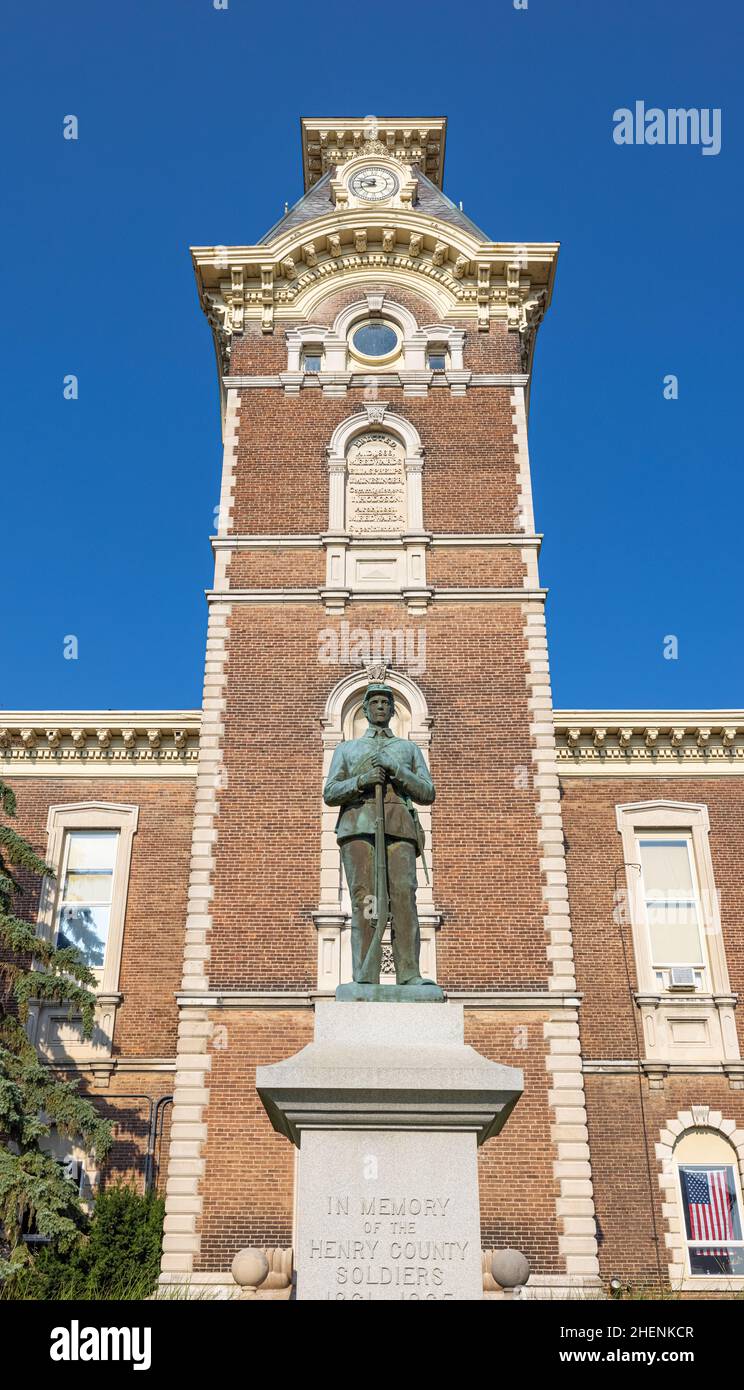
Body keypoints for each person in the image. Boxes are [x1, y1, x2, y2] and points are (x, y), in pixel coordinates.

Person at [323, 681, 435, 985]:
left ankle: (410, 974)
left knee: (403, 898)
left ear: (392, 709)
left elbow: (427, 792)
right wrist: (362, 780)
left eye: (386, 702)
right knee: (366, 901)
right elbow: (330, 792)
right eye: (375, 703)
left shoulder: (408, 749)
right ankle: (365, 975)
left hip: (399, 827)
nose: (381, 707)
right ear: (365, 709)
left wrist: (395, 770)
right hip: (358, 826)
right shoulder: (347, 750)